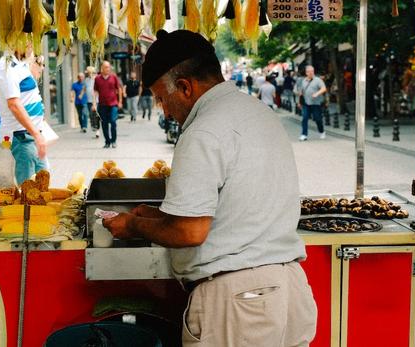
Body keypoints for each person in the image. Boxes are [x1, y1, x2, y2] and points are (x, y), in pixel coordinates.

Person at [103, 29, 317, 347]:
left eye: (162, 98)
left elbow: (191, 232)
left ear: (186, 87)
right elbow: (234, 209)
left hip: (238, 305)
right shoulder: (260, 114)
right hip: (290, 293)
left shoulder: (203, 130)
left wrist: (134, 224)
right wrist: (159, 217)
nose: (164, 110)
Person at [0, 45, 49, 184]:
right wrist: (36, 134)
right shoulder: (6, 66)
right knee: (28, 190)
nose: (32, 43)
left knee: (43, 184)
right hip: (21, 137)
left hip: (32, 136)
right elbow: (14, 104)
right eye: (29, 39)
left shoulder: (20, 63)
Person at [92, 61, 123, 148]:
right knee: (104, 124)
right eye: (106, 67)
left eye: (109, 67)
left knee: (113, 122)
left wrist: (120, 101)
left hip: (113, 104)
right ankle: (107, 142)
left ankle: (113, 141)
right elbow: (95, 91)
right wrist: (94, 103)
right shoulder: (97, 79)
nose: (108, 69)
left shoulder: (114, 77)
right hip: (102, 105)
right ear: (102, 68)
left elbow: (119, 89)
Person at [298, 65, 327, 141]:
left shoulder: (318, 80)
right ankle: (304, 135)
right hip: (306, 103)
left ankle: (322, 131)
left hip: (315, 103)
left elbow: (324, 88)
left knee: (318, 119)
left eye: (312, 71)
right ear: (306, 72)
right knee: (304, 118)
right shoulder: (303, 81)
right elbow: (301, 93)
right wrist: (299, 102)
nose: (311, 73)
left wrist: (317, 93)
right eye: (309, 71)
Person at [85, 66, 101, 138]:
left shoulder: (97, 79)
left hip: (96, 100)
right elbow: (85, 87)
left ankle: (97, 129)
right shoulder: (86, 80)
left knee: (96, 114)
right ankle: (93, 126)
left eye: (88, 71)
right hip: (89, 100)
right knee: (91, 115)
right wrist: (81, 94)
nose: (87, 73)